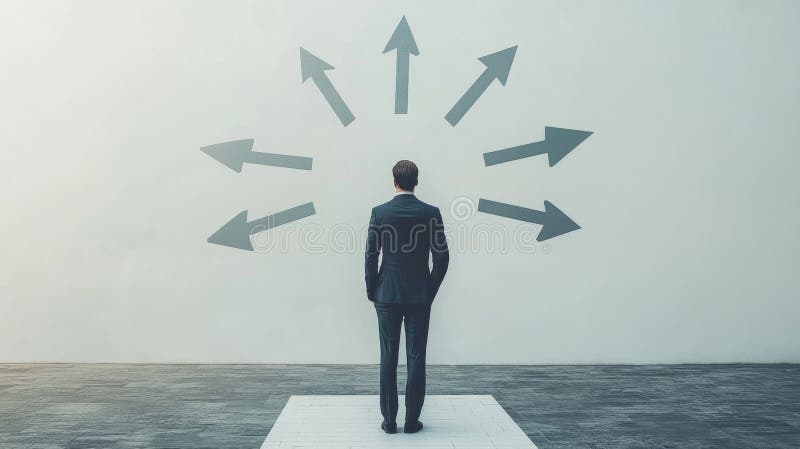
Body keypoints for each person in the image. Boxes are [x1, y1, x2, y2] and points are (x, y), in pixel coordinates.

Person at [364, 160, 449, 434]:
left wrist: (372, 289)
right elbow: (442, 257)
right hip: (418, 297)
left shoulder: (380, 212)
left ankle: (389, 422)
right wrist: (429, 290)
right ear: (417, 181)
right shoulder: (430, 213)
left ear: (394, 181)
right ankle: (412, 422)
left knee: (388, 356)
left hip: (386, 294)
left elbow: (370, 255)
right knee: (416, 357)